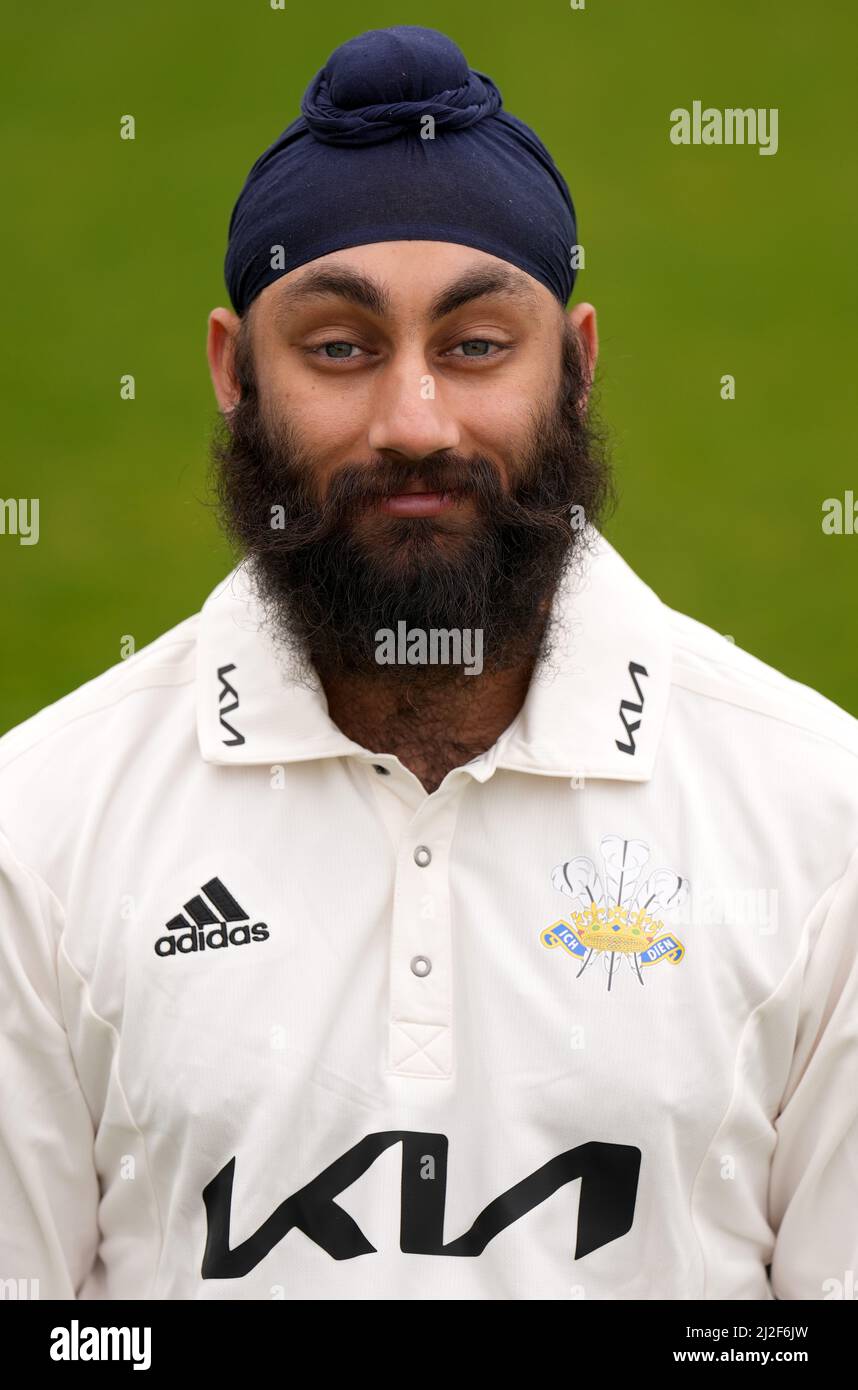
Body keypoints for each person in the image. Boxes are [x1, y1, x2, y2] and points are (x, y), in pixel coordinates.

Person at [1, 24, 856, 1302]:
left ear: (574, 365)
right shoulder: (40, 824)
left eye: (475, 346)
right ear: (237, 375)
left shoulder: (821, 817)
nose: (414, 421)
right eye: (340, 347)